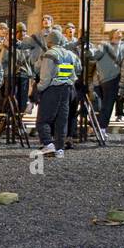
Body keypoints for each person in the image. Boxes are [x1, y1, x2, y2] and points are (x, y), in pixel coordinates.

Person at [34, 29, 76, 158]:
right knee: (61, 121)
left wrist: (38, 89)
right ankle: (60, 148)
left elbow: (46, 76)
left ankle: (48, 144)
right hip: (67, 89)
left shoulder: (50, 54)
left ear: (49, 41)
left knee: (43, 120)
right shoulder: (70, 55)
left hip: (52, 89)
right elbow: (74, 74)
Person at [89, 27, 124, 138]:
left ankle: (99, 126)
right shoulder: (104, 46)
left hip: (119, 78)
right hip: (109, 79)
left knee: (109, 104)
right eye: (117, 32)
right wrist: (89, 50)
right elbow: (94, 55)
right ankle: (101, 128)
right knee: (107, 104)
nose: (120, 33)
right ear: (112, 35)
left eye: (121, 32)